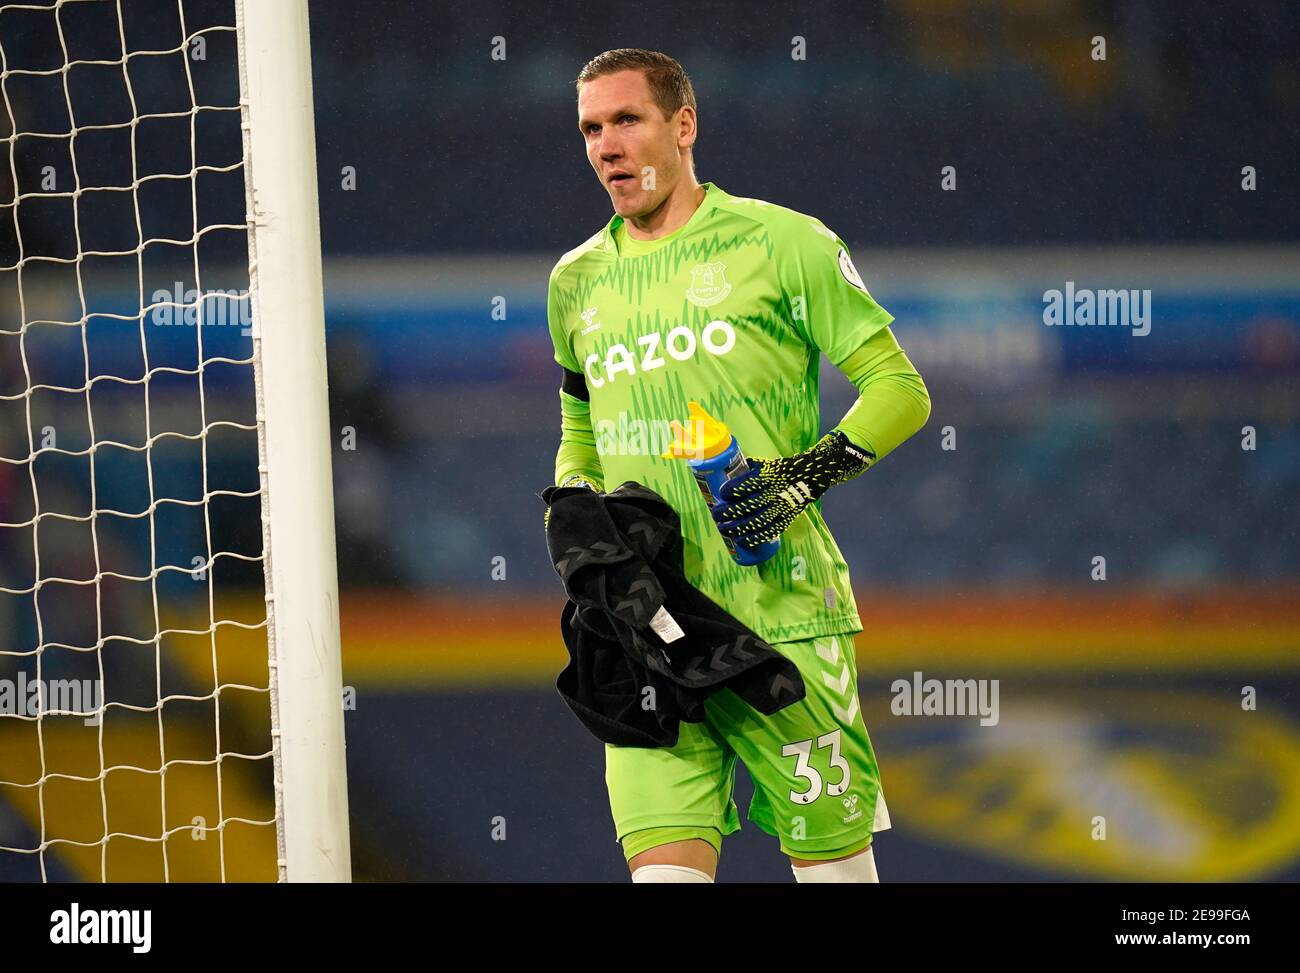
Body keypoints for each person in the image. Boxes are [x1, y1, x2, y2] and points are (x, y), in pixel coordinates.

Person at [546, 48, 930, 883]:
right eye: (590, 129)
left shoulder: (782, 242)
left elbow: (900, 389)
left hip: (781, 617)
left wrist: (801, 478)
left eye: (626, 120)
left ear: (683, 126)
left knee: (832, 873)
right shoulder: (575, 282)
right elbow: (582, 426)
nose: (606, 145)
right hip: (648, 623)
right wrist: (572, 496)